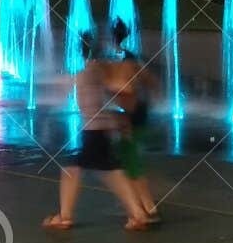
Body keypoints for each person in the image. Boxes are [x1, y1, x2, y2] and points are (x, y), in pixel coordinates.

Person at [43, 33, 151, 232]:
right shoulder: (98, 71)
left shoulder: (91, 72)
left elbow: (119, 88)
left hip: (95, 132)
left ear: (82, 53)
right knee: (109, 172)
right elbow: (117, 89)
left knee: (84, 170)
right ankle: (138, 214)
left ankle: (65, 217)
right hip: (99, 131)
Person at [110, 19, 161, 225]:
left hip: (130, 116)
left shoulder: (117, 60)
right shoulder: (131, 57)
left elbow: (125, 90)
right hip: (139, 112)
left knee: (128, 164)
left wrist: (125, 119)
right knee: (128, 161)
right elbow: (151, 82)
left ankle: (145, 209)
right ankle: (144, 207)